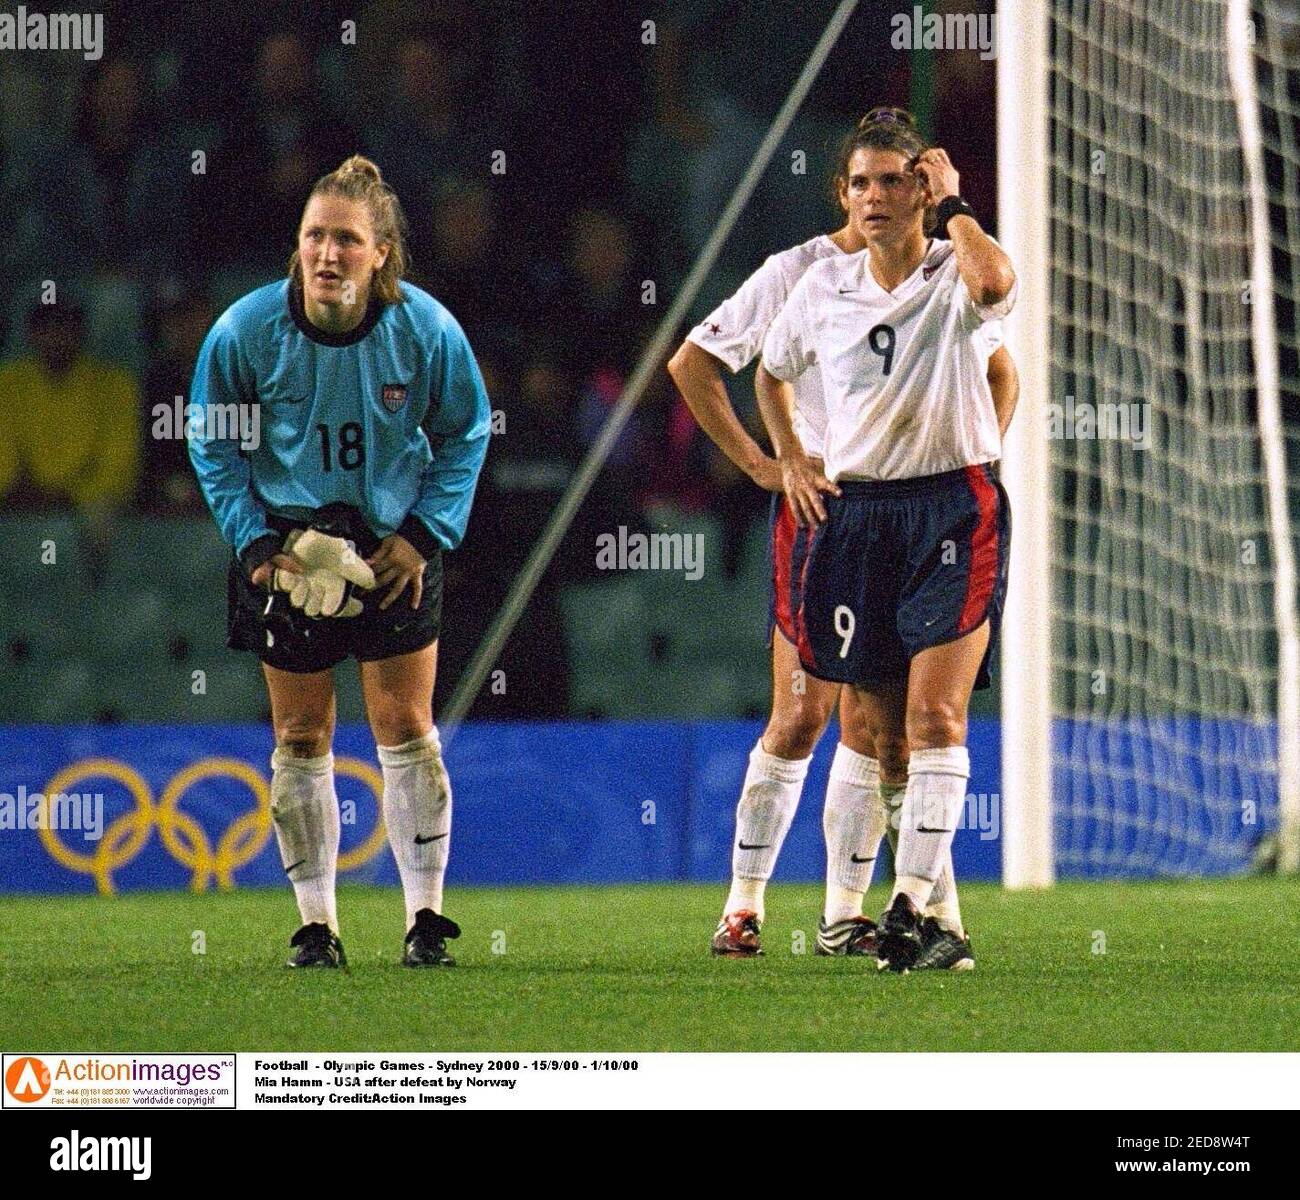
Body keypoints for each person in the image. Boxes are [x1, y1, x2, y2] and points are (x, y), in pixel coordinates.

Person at [669, 111, 1018, 969]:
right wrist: (775, 461)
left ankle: (896, 910)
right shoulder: (804, 278)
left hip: (947, 507)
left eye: (895, 179)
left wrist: (978, 445)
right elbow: (715, 365)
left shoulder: (951, 270)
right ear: (841, 190)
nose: (876, 195)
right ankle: (758, 907)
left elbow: (1001, 342)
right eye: (861, 182)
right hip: (841, 510)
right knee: (824, 716)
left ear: (923, 185)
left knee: (919, 719)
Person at [188, 156, 490, 969]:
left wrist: (426, 536)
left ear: (381, 252)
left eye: (347, 240)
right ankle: (315, 926)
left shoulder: (427, 331)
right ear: (297, 245)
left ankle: (425, 920)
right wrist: (255, 544)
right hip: (291, 549)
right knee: (299, 731)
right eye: (314, 236)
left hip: (391, 544)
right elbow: (210, 438)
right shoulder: (245, 330)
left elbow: (467, 433)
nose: (327, 254)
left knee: (406, 727)